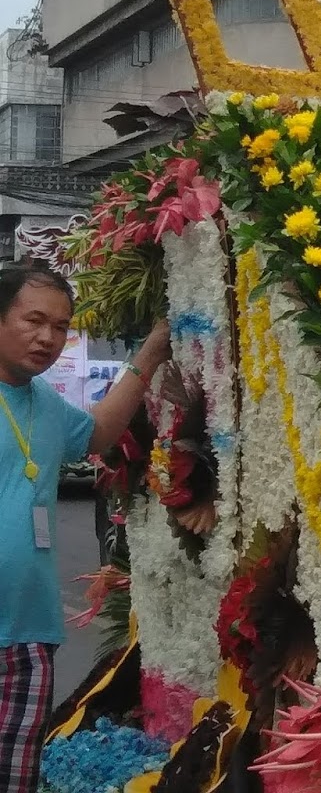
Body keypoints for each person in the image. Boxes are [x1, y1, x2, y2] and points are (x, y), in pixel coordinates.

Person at [0, 267, 171, 792]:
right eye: (33, 320)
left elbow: (97, 433)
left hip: (28, 633)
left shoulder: (44, 403)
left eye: (60, 326)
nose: (47, 338)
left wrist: (150, 354)